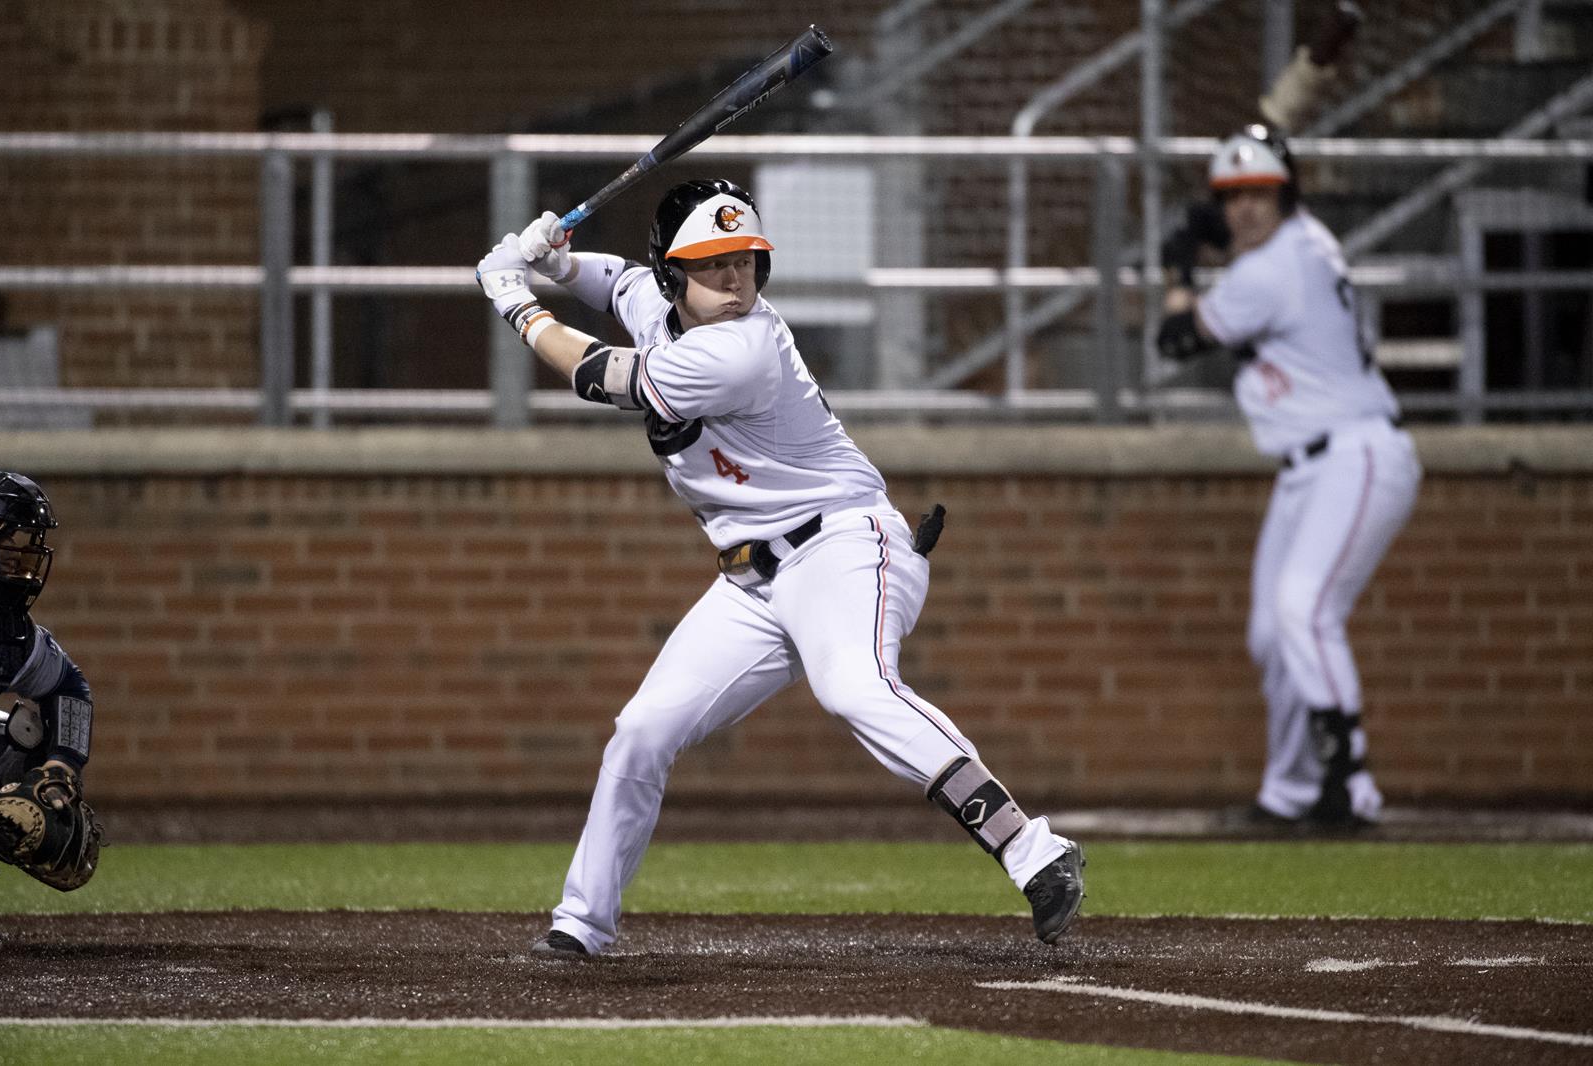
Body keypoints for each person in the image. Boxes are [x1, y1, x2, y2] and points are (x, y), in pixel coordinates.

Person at [476, 178, 1084, 958]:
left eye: (746, 262)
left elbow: (601, 375)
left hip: (843, 548)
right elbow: (618, 281)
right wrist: (557, 264)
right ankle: (582, 925)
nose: (734, 280)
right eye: (712, 263)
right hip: (752, 581)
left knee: (854, 688)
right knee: (641, 731)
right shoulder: (661, 303)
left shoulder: (743, 347)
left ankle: (1034, 850)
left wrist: (514, 298)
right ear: (675, 274)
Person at [1156, 126, 1422, 830]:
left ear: (1287, 193)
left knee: (1304, 608)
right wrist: (1215, 249)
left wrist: (1181, 271)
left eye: (1260, 193)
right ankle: (1291, 791)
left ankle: (1350, 780)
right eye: (1233, 196)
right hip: (1313, 462)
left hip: (1355, 454)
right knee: (1273, 633)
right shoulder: (1297, 246)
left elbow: (1176, 339)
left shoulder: (1274, 269)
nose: (1246, 208)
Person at [0, 471, 103, 952]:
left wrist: (61, 766)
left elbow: (68, 687)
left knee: (30, 733)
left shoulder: (7, 630)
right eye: (5, 542)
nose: (20, 557)